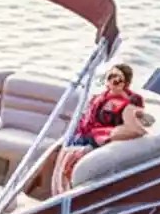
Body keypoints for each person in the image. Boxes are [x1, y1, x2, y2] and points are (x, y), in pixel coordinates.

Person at [51, 63, 150, 193]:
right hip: (82, 136)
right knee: (57, 154)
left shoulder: (127, 105)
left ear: (126, 82)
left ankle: (63, 195)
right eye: (110, 77)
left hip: (95, 141)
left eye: (118, 78)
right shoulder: (100, 98)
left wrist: (111, 134)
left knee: (69, 159)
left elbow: (137, 130)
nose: (113, 81)